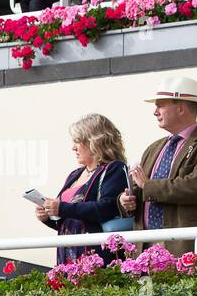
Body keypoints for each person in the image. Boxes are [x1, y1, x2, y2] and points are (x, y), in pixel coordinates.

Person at [118, 75, 197, 256]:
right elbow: (139, 188)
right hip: (144, 248)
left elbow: (193, 186)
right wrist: (126, 200)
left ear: (181, 107)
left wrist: (148, 186)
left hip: (182, 247)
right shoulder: (154, 148)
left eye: (160, 105)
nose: (155, 112)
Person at [35, 113, 128, 264]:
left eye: (77, 141)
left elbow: (107, 208)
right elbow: (66, 222)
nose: (73, 147)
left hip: (96, 259)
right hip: (67, 258)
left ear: (95, 141)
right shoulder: (75, 174)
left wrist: (61, 208)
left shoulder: (114, 168)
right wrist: (48, 217)